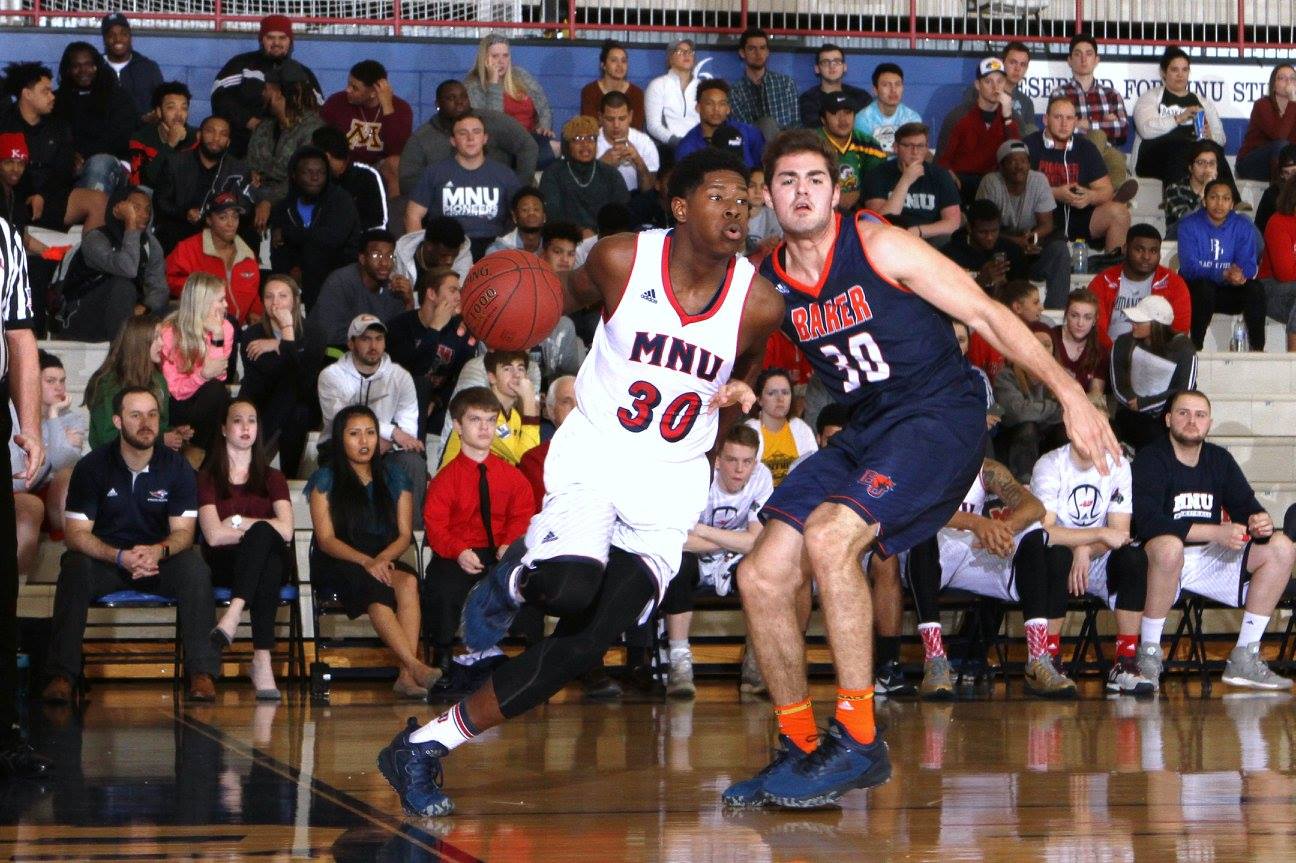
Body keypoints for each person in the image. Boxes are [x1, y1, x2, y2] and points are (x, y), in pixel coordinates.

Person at [377, 148, 783, 817]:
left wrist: (739, 395)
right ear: (680, 207)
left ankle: (421, 746)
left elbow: (738, 385)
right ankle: (509, 580)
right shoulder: (620, 258)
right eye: (719, 194)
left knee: (584, 644)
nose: (737, 206)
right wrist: (497, 312)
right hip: (597, 453)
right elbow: (542, 306)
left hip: (671, 482)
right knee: (568, 585)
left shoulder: (759, 302)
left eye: (745, 196)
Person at [726, 130, 1117, 809]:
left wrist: (1069, 391)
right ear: (767, 193)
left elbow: (986, 313)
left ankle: (857, 738)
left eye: (815, 179)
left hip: (940, 413)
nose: (801, 192)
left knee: (829, 538)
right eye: (787, 180)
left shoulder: (876, 242)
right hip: (866, 427)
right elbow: (749, 343)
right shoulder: (769, 278)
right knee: (759, 573)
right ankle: (797, 745)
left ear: (835, 188)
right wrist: (742, 381)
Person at [44, 386, 220, 704]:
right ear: (117, 421)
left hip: (158, 558)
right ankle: (62, 675)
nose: (146, 422)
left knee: (195, 569)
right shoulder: (92, 467)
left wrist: (158, 551)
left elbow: (183, 531)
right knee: (74, 568)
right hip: (107, 558)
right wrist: (119, 556)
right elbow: (76, 534)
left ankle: (201, 673)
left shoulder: (177, 467)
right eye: (135, 415)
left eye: (152, 415)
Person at [1133, 389, 1296, 691]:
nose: (1192, 421)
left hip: (1210, 556)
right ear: (1168, 419)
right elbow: (1146, 522)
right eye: (1183, 413)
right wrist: (1214, 531)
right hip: (1160, 562)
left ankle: (1245, 656)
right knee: (1169, 546)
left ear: (1209, 423)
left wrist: (1260, 521)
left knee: (1282, 546)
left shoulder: (1218, 459)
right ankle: (1150, 653)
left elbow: (1247, 506)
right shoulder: (1150, 459)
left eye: (1200, 415)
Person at [903, 458, 1075, 698]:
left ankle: (1037, 659)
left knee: (1032, 530)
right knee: (923, 533)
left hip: (971, 546)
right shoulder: (922, 457)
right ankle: (934, 660)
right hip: (929, 550)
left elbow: (1035, 506)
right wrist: (978, 523)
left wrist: (1005, 528)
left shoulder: (986, 468)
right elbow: (919, 511)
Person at [307, 404, 438, 699]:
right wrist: (367, 562)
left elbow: (405, 534)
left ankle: (406, 676)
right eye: (354, 434)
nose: (364, 441)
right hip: (340, 557)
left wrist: (381, 558)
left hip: (384, 554)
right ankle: (415, 665)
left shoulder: (394, 476)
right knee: (376, 588)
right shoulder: (326, 478)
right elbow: (326, 539)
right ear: (340, 439)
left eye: (370, 433)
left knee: (409, 582)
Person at [422, 387, 535, 674]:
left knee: (531, 581)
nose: (485, 427)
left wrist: (510, 543)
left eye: (490, 419)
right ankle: (444, 656)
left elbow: (522, 515)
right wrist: (458, 551)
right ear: (458, 426)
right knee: (443, 585)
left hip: (502, 552)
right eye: (475, 420)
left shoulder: (513, 477)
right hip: (458, 552)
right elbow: (436, 526)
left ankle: (532, 660)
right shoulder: (445, 480)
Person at [1030, 442, 1155, 694]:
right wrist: (1095, 535)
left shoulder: (1118, 465)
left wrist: (1086, 549)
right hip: (1061, 556)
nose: (1092, 436)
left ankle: (1125, 661)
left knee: (1134, 557)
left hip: (1097, 555)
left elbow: (1119, 534)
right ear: (1071, 428)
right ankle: (1047, 659)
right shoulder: (1050, 464)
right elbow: (1046, 533)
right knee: (1056, 556)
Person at [660, 424, 773, 698]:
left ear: (755, 463)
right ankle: (679, 661)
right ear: (718, 461)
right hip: (696, 556)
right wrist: (735, 537)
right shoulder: (698, 476)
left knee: (761, 568)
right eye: (732, 460)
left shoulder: (762, 477)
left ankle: (755, 656)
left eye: (747, 462)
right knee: (678, 564)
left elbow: (756, 541)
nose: (739, 469)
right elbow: (677, 539)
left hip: (733, 558)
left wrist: (704, 530)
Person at [198, 398, 293, 700]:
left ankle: (233, 615)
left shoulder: (273, 478)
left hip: (264, 562)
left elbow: (287, 530)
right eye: (237, 420)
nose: (245, 427)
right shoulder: (208, 477)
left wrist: (238, 522)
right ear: (224, 429)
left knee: (267, 545)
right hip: (225, 564)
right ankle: (261, 661)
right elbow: (213, 536)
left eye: (251, 420)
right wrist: (260, 531)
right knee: (266, 541)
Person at [0, 211, 51, 776]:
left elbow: (19, 336)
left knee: (0, 580)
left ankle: (3, 734)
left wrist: (31, 427)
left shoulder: (4, 235)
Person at [317, 314, 426, 513]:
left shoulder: (400, 376)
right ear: (351, 343)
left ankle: (413, 536)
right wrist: (392, 433)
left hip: (386, 449)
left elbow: (408, 429)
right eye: (366, 339)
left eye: (379, 338)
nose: (373, 345)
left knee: (413, 463)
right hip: (340, 446)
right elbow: (344, 419)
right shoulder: (331, 375)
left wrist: (388, 441)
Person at [0, 61, 107, 231]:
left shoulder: (59, 126)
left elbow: (63, 170)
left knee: (99, 201)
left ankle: (84, 256)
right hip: (11, 198)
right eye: (46, 91)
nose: (52, 96)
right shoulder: (4, 124)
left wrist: (42, 195)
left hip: (50, 197)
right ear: (27, 94)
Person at [56, 185, 168, 342]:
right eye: (135, 208)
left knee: (175, 310)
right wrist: (131, 225)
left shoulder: (150, 244)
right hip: (82, 315)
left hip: (124, 314)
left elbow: (160, 288)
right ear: (118, 210)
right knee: (122, 286)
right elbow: (127, 268)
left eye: (147, 210)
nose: (143, 215)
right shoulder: (96, 239)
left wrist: (146, 307)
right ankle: (122, 355)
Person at [1025, 95, 1130, 257]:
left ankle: (1111, 272)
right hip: (1040, 218)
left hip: (1078, 215)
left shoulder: (1085, 148)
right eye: (1058, 117)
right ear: (1045, 119)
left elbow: (1105, 191)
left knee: (1119, 212)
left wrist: (1089, 196)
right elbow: (1016, 190)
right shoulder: (1029, 145)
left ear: (1075, 121)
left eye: (1069, 118)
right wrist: (1055, 194)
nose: (1064, 124)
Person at [407, 112, 522, 257]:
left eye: (476, 132)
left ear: (485, 138)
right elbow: (413, 215)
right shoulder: (434, 173)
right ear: (453, 141)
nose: (470, 138)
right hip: (446, 248)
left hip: (492, 248)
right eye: (463, 133)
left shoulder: (505, 175)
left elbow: (521, 214)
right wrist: (420, 253)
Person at [10, 351, 84, 572]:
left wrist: (53, 416)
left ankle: (73, 566)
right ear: (32, 383)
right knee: (31, 506)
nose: (59, 388)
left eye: (62, 381)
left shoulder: (71, 418)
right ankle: (18, 587)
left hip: (48, 496)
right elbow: (19, 480)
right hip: (18, 493)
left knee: (69, 477)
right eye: (50, 381)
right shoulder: (11, 415)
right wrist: (53, 446)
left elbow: (63, 462)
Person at [398, 79, 537, 196]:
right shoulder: (422, 138)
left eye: (463, 97)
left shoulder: (493, 121)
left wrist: (518, 190)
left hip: (497, 197)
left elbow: (527, 146)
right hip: (445, 205)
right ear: (437, 104)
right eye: (451, 98)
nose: (459, 102)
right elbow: (408, 181)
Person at [211, 14, 323, 157]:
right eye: (270, 37)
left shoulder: (303, 73)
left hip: (290, 153)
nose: (276, 43)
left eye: (282, 38)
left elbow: (318, 108)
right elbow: (220, 96)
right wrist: (248, 121)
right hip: (241, 149)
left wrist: (292, 129)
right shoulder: (243, 64)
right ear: (261, 39)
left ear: (290, 41)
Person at [975, 141, 1070, 307]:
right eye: (1012, 161)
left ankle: (1056, 311)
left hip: (1030, 249)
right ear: (1001, 166)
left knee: (1060, 251)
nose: (1018, 166)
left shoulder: (1039, 180)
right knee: (999, 250)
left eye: (1023, 161)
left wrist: (1033, 238)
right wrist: (1016, 242)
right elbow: (984, 229)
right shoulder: (991, 183)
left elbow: (1047, 224)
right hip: (1000, 250)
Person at [387, 267, 476, 442]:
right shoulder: (399, 326)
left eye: (459, 291)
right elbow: (415, 371)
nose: (459, 297)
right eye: (452, 290)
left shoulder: (460, 330)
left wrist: (437, 401)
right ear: (431, 294)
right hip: (400, 406)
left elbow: (459, 378)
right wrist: (435, 328)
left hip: (438, 407)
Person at [238, 274, 313, 478]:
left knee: (296, 406)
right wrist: (289, 346)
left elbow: (302, 377)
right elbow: (272, 373)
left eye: (283, 296)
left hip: (299, 404)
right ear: (262, 301)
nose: (276, 302)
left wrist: (282, 339)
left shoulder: (312, 331)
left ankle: (269, 469)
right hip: (262, 400)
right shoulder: (252, 334)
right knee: (289, 396)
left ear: (295, 301)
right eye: (269, 296)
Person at [268, 145, 361, 309]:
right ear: (294, 175)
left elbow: (332, 239)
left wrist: (289, 233)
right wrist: (292, 274)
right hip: (296, 282)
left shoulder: (340, 200)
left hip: (339, 279)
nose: (315, 177)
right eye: (308, 172)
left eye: (321, 172)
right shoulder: (283, 208)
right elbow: (279, 253)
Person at [1178, 179, 1265, 350]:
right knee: (1204, 287)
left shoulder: (1242, 226)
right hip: (1197, 292)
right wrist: (1221, 274)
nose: (1219, 204)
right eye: (1214, 197)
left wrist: (1239, 275)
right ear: (1204, 201)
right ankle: (1195, 347)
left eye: (1226, 199)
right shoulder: (1189, 225)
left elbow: (1249, 264)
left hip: (1229, 290)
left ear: (1232, 203)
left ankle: (1258, 349)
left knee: (1255, 288)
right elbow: (1189, 268)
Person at [305, 229, 414, 360]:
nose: (385, 263)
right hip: (330, 357)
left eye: (390, 256)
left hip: (372, 358)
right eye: (376, 255)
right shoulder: (341, 282)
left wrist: (408, 301)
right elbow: (329, 335)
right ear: (362, 259)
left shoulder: (394, 289)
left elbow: (403, 336)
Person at [1108, 295, 1198, 450]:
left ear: (1156, 325)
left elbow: (1185, 390)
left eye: (1139, 321)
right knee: (1149, 433)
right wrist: (1134, 403)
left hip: (1167, 414)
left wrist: (1145, 404)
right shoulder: (1123, 342)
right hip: (1131, 413)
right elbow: (1118, 384)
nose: (1133, 324)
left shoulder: (1183, 348)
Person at [153, 115, 253, 253]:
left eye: (223, 134)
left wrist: (220, 218)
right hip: (180, 228)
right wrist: (184, 213)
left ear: (228, 142)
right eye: (210, 131)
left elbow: (246, 209)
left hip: (220, 234)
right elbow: (161, 202)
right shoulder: (175, 163)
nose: (216, 138)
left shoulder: (239, 169)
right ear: (199, 135)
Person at [84, 315, 185, 451]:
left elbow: (160, 426)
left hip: (152, 459)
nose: (162, 343)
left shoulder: (158, 380)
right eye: (156, 338)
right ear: (140, 342)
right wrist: (160, 439)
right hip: (113, 463)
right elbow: (106, 438)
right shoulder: (108, 384)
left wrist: (174, 433)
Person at [159, 273, 233, 457]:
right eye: (221, 300)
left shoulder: (225, 328)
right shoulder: (170, 331)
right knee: (213, 391)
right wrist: (202, 375)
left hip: (206, 399)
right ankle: (198, 459)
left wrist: (216, 336)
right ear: (203, 302)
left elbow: (219, 375)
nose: (226, 305)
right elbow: (175, 390)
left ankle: (201, 459)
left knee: (217, 391)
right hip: (176, 402)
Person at [1050, 34, 1135, 192]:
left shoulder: (1111, 94)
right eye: (1077, 54)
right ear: (1069, 60)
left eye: (1089, 54)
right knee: (1099, 138)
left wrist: (1086, 124)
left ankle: (1106, 196)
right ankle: (1102, 194)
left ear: (1097, 60)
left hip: (1105, 151)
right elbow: (1056, 128)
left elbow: (1123, 129)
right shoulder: (1059, 94)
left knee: (1114, 155)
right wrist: (1105, 122)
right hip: (1071, 151)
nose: (1083, 59)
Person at [1088, 223, 1191, 350]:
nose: (1146, 257)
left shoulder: (1174, 284)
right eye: (1139, 249)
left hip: (1156, 356)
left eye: (1153, 251)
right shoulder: (1102, 281)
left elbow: (1179, 331)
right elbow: (1096, 330)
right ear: (1125, 248)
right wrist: (1114, 355)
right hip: (1110, 355)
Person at [1132, 46, 1227, 184]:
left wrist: (1211, 136)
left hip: (1191, 159)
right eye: (1174, 70)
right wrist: (1179, 118)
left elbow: (1221, 139)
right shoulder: (1150, 97)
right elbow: (1145, 130)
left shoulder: (1202, 102)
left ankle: (1233, 200)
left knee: (1214, 150)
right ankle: (1176, 202)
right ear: (1163, 73)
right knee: (1179, 146)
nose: (1180, 75)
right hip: (1153, 158)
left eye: (1185, 70)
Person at [165, 192, 261, 323]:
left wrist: (255, 312)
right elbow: (167, 280)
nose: (231, 224)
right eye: (223, 217)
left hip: (237, 334)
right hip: (198, 329)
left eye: (235, 217)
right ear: (209, 220)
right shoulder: (188, 249)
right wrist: (202, 292)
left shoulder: (248, 255)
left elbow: (253, 294)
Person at [938, 57, 1022, 207]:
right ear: (977, 85)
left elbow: (1017, 159)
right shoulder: (958, 116)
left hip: (995, 184)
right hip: (962, 183)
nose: (995, 87)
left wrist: (1007, 118)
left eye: (1000, 81)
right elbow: (941, 160)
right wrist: (949, 176)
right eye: (988, 81)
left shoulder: (1011, 116)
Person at [53, 42, 136, 191]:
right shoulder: (58, 100)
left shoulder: (117, 96)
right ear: (68, 70)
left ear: (97, 66)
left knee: (98, 164)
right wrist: (69, 155)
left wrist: (84, 155)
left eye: (89, 64)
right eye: (76, 66)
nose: (83, 71)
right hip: (71, 161)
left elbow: (120, 138)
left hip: (111, 161)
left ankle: (92, 211)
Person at [320, 59, 413, 193]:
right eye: (349, 84)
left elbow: (397, 150)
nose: (348, 90)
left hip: (378, 166)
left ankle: (391, 212)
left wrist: (387, 106)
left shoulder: (400, 108)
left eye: (355, 88)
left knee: (395, 163)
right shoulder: (337, 102)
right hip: (345, 163)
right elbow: (321, 137)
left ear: (373, 92)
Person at [463, 33, 558, 163]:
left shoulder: (520, 75)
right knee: (546, 151)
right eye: (495, 56)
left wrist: (544, 126)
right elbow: (493, 124)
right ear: (484, 59)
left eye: (505, 56)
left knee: (560, 148)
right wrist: (494, 84)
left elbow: (543, 106)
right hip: (498, 144)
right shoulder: (473, 85)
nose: (501, 61)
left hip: (529, 138)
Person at [438, 349, 541, 468]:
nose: (516, 375)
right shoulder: (484, 413)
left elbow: (531, 459)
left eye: (521, 369)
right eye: (507, 369)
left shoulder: (515, 417)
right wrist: (529, 400)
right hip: (457, 482)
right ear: (492, 377)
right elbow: (524, 458)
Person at [862, 122, 961, 244]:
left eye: (920, 146)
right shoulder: (878, 174)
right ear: (896, 147)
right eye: (908, 146)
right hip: (891, 239)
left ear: (926, 148)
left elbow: (953, 223)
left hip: (929, 238)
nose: (914, 151)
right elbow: (879, 222)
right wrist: (906, 180)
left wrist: (918, 231)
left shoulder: (940, 175)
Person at [246, 74, 325, 219]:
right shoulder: (265, 126)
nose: (262, 93)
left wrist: (269, 201)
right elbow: (251, 163)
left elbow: (303, 178)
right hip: (256, 196)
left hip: (293, 201)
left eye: (266, 89)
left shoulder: (313, 130)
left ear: (277, 95)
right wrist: (250, 174)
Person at [994, 331, 1069, 481]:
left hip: (1046, 438)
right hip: (1014, 438)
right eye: (1034, 344)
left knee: (1066, 429)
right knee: (1028, 427)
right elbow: (1019, 413)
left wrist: (1035, 409)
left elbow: (1068, 412)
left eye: (1047, 345)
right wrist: (1052, 408)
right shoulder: (1006, 376)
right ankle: (1024, 484)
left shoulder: (1062, 376)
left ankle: (1065, 479)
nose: (1041, 349)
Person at [538, 116, 631, 236]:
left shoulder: (610, 174)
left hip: (604, 239)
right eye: (577, 139)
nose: (585, 144)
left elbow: (622, 215)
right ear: (567, 145)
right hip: (565, 239)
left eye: (590, 138)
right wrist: (579, 231)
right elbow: (552, 215)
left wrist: (600, 235)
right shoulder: (553, 173)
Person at [745, 368, 817, 486]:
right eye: (771, 393)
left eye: (785, 392)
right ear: (759, 400)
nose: (780, 399)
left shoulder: (801, 429)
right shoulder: (749, 429)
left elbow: (811, 474)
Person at [675, 80, 766, 171]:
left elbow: (761, 171)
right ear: (698, 108)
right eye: (709, 103)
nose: (716, 109)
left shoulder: (750, 134)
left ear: (728, 109)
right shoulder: (687, 147)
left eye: (722, 104)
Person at [941, 199, 1028, 294]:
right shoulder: (951, 254)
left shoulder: (1012, 250)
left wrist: (1005, 287)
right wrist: (980, 281)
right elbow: (947, 295)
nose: (990, 237)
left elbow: (1023, 294)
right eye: (983, 232)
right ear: (969, 228)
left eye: (994, 231)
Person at [816, 93, 885, 212]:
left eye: (848, 112)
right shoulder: (810, 144)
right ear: (823, 119)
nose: (843, 119)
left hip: (860, 209)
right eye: (835, 113)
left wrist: (858, 193)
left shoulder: (869, 144)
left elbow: (878, 183)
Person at [313, 126, 388, 232]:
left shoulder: (368, 177)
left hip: (361, 243)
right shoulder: (313, 180)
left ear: (326, 156)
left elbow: (378, 224)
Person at [729, 27, 799, 141]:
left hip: (785, 147)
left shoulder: (786, 84)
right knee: (766, 124)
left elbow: (796, 125)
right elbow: (742, 129)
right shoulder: (735, 91)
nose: (758, 53)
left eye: (762, 48)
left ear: (768, 52)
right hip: (752, 149)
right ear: (742, 53)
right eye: (752, 49)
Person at [127, 82, 196, 189]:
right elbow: (140, 183)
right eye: (171, 107)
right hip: (149, 196)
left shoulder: (197, 138)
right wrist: (170, 144)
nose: (179, 114)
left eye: (184, 108)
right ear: (159, 112)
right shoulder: (141, 138)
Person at [1048, 289, 1108, 407]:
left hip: (1081, 410)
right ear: (1066, 314)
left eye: (1087, 317)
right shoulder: (1050, 338)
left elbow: (1096, 392)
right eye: (1075, 316)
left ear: (1095, 320)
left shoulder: (1099, 350)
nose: (1080, 323)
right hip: (1049, 410)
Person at [1237, 64, 1296, 182]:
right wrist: (1292, 101)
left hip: (1283, 164)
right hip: (1252, 163)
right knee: (1281, 146)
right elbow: (1279, 136)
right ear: (1273, 85)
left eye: (1293, 78)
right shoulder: (1263, 105)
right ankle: (1276, 194)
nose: (1288, 82)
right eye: (1282, 78)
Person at [100, 13, 163, 122]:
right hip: (104, 136)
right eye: (111, 35)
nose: (118, 39)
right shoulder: (95, 68)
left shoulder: (148, 68)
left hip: (141, 135)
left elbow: (162, 102)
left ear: (130, 36)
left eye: (123, 34)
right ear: (104, 39)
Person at [596, 91, 660, 195]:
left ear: (630, 116)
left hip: (634, 203)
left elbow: (650, 192)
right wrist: (601, 166)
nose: (616, 125)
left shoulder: (644, 143)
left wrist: (638, 162)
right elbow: (580, 189)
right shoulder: (590, 143)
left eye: (622, 118)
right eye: (610, 119)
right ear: (600, 117)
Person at [644, 39, 701, 150]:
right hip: (669, 147)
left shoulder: (702, 86)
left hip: (699, 146)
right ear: (670, 59)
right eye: (680, 51)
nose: (686, 54)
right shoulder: (657, 85)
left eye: (689, 52)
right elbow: (653, 126)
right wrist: (678, 142)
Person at [798, 43, 872, 130]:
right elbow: (814, 132)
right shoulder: (808, 99)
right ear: (817, 69)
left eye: (837, 61)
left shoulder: (861, 96)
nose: (831, 66)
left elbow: (868, 128)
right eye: (825, 62)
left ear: (844, 67)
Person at [853, 63, 922, 154]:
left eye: (897, 84)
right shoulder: (863, 119)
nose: (893, 90)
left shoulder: (912, 118)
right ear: (875, 90)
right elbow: (863, 156)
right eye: (886, 85)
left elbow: (915, 153)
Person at [580, 40, 645, 130]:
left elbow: (636, 128)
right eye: (614, 60)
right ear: (603, 65)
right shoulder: (590, 91)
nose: (620, 65)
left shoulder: (637, 93)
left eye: (623, 61)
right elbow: (590, 128)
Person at [1163, 140, 1219, 237]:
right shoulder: (1175, 189)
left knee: (1244, 220)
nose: (1206, 168)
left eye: (1211, 163)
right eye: (1201, 162)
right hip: (1179, 243)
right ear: (1190, 167)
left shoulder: (1222, 191)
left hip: (1210, 240)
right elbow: (1186, 221)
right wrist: (1205, 188)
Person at [396, 214, 473, 284]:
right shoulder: (402, 253)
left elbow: (459, 294)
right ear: (429, 246)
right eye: (444, 255)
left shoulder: (464, 257)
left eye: (454, 255)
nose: (450, 261)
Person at [484, 187, 545, 256]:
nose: (531, 213)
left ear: (544, 217)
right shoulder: (497, 250)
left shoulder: (552, 248)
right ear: (514, 217)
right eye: (525, 210)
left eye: (536, 209)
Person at [1256, 143, 1296, 234]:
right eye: (1286, 173)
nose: (1291, 178)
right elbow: (1259, 230)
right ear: (1281, 174)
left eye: (1294, 172)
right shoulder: (1271, 194)